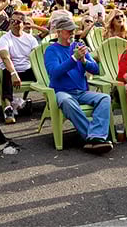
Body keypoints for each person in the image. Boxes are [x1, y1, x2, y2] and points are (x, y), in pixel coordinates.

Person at [43, 16, 113, 153]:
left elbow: (96, 69)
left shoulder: (78, 46)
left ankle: (94, 136)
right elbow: (54, 73)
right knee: (67, 102)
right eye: (69, 31)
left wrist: (84, 61)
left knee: (105, 98)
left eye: (73, 31)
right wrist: (74, 59)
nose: (72, 34)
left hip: (81, 91)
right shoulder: (51, 50)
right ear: (59, 32)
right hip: (61, 91)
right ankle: (95, 137)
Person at [0, 11, 39, 124]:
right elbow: (5, 57)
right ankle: (8, 108)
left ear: (24, 24)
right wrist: (13, 73)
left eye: (18, 21)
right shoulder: (4, 39)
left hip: (26, 69)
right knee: (6, 72)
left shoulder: (31, 39)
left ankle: (51, 103)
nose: (14, 23)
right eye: (12, 21)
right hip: (10, 68)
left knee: (45, 75)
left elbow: (37, 56)